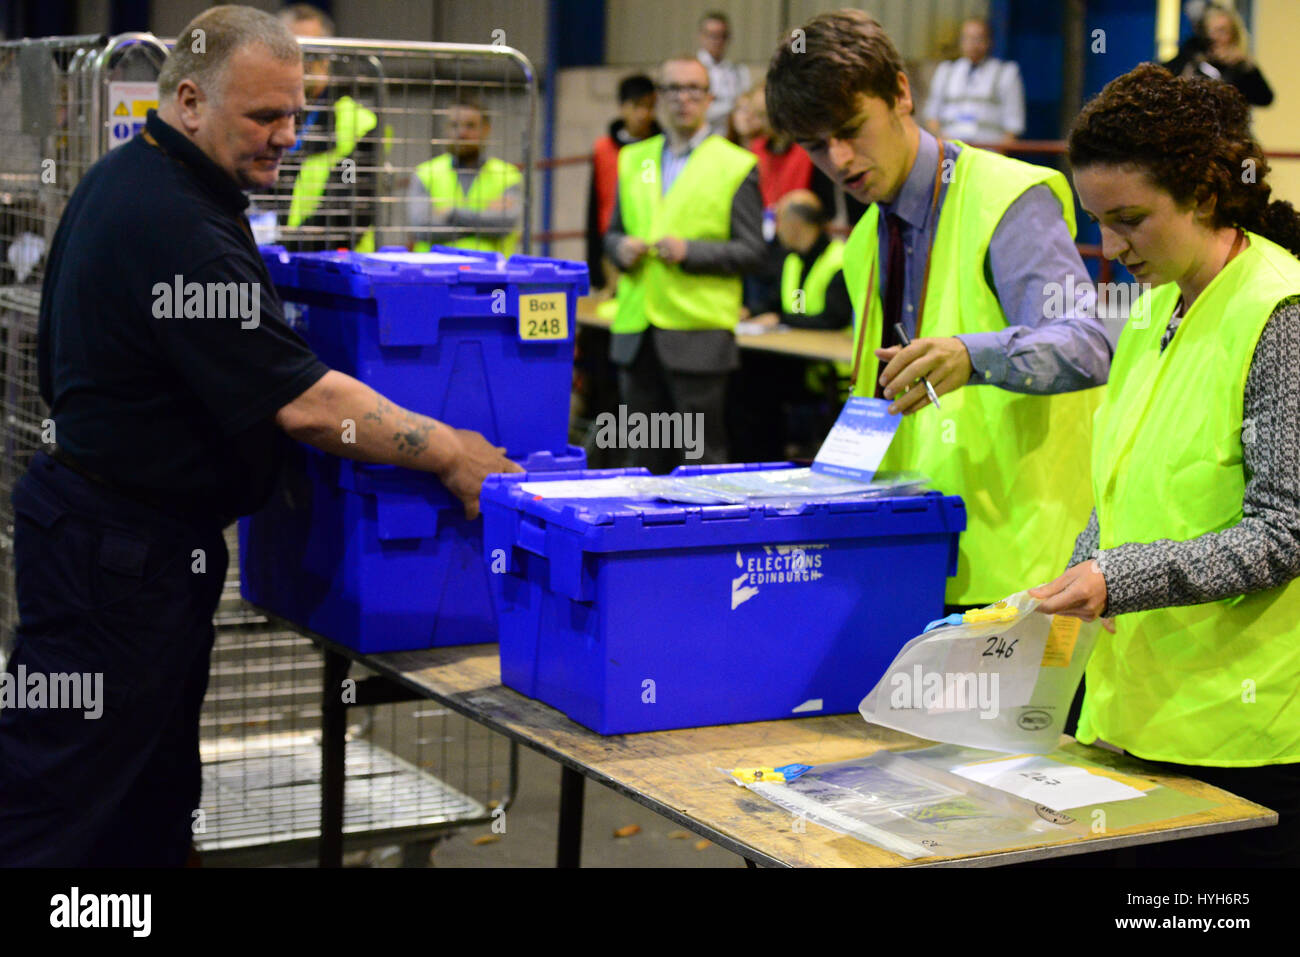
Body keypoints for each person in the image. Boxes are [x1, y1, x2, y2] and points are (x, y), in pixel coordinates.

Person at [0, 5, 517, 867]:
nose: (289, 134)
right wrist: (452, 449)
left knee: (149, 794)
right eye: (265, 116)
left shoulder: (153, 179)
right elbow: (310, 404)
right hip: (115, 563)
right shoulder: (177, 222)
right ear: (191, 100)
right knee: (65, 802)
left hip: (129, 547)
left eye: (297, 112)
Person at [1031, 63, 1300, 867]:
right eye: (1098, 221)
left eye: (1132, 220)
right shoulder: (1151, 310)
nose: (1110, 249)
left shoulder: (1279, 315)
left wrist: (1120, 578)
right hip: (1132, 717)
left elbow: (1286, 530)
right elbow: (1125, 487)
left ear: (1205, 194)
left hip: (1243, 743)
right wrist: (1077, 575)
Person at [766, 10, 1110, 609]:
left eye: (851, 128)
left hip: (1026, 572)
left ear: (901, 92)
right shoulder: (861, 246)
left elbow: (1088, 343)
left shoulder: (1006, 201)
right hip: (913, 558)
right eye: (817, 146)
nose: (840, 160)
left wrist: (971, 356)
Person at [604, 55, 765, 472]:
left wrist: (690, 252)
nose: (683, 99)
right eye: (674, 89)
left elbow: (753, 252)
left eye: (694, 89)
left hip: (698, 337)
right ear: (660, 98)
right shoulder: (632, 159)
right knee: (641, 459)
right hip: (636, 334)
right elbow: (613, 233)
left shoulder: (736, 165)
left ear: (710, 98)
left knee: (700, 459)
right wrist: (619, 249)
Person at [269, 3, 382, 252]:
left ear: (329, 55)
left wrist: (284, 245)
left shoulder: (358, 123)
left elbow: (351, 212)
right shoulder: (265, 117)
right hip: (274, 264)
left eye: (314, 51)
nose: (305, 61)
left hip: (336, 271)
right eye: (294, 50)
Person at [407, 97, 522, 256]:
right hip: (435, 273)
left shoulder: (507, 175)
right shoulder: (425, 173)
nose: (462, 133)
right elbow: (421, 228)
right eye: (454, 125)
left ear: (486, 129)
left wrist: (450, 213)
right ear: (446, 129)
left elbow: (505, 224)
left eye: (470, 126)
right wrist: (483, 222)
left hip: (491, 275)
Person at [585, 73, 660, 291]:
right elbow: (594, 206)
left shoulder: (662, 148)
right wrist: (595, 261)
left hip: (650, 247)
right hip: (612, 246)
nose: (643, 114)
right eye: (636, 106)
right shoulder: (603, 148)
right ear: (622, 107)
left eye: (650, 107)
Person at [923, 17, 1025, 144]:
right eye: (967, 38)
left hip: (988, 151)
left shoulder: (1007, 73)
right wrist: (945, 147)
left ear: (989, 41)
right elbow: (931, 116)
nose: (972, 44)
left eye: (978, 38)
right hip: (951, 150)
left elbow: (1013, 125)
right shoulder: (945, 70)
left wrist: (996, 157)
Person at [1164, 3, 1273, 107]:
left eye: (1222, 31)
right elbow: (1167, 76)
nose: (1215, 37)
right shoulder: (1191, 54)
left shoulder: (1240, 65)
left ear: (1233, 33)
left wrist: (1245, 67)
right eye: (1210, 31)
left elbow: (1264, 98)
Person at [697, 11, 751, 139]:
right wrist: (731, 106)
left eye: (722, 36)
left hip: (731, 139)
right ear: (701, 36)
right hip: (700, 140)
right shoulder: (691, 71)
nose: (717, 41)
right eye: (712, 35)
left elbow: (746, 108)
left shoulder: (739, 71)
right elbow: (698, 111)